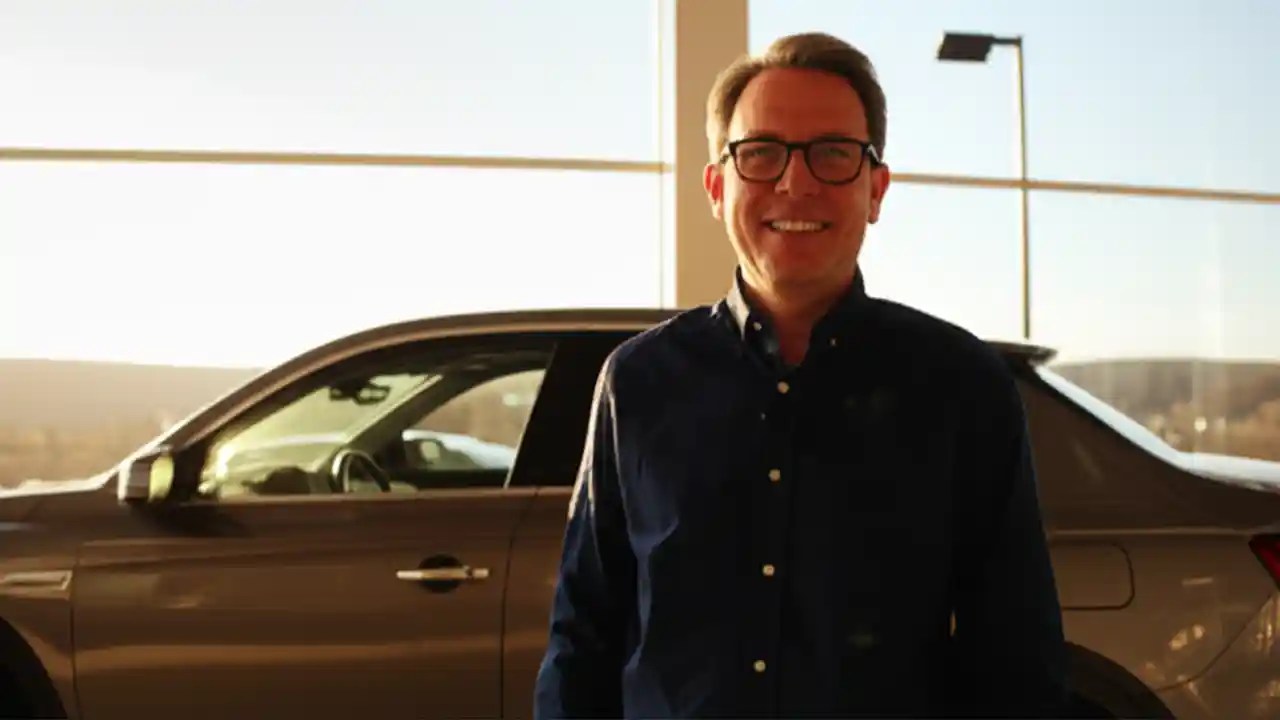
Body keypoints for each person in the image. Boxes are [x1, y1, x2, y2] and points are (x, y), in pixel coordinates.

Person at [534, 31, 1068, 718]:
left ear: (875, 189)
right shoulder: (635, 383)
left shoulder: (961, 385)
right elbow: (583, 636)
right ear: (717, 187)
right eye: (760, 153)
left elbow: (1017, 653)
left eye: (833, 153)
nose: (796, 182)